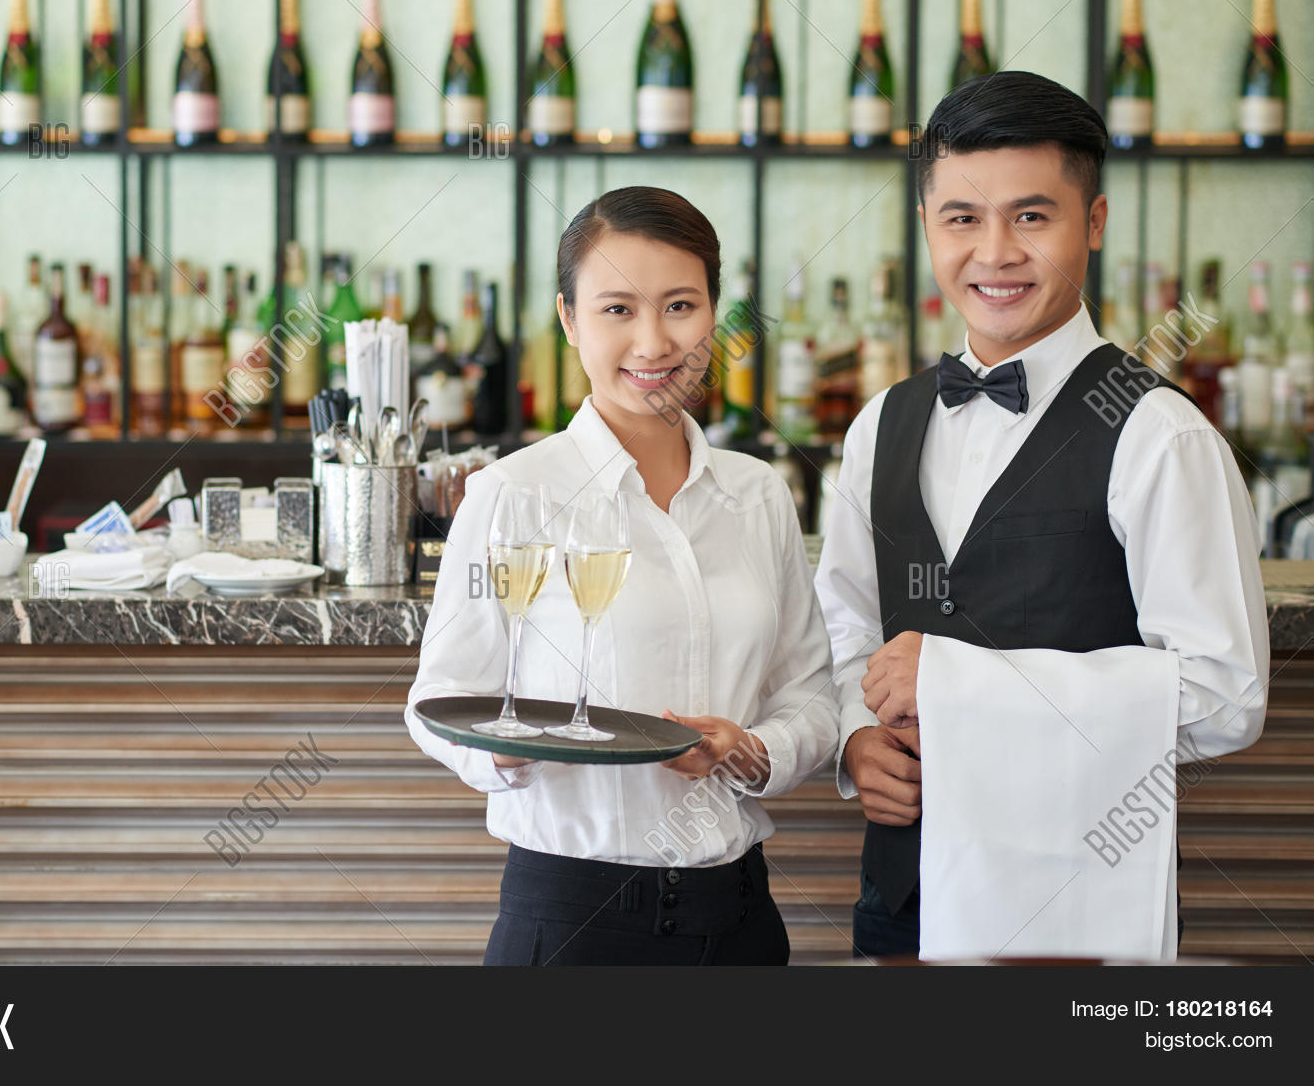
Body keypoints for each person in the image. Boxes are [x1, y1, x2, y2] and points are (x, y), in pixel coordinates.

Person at [815, 71, 1269, 960]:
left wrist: (959, 685)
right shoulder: (882, 423)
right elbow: (843, 627)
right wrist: (854, 735)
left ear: (1092, 224)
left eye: (1032, 216)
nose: (995, 252)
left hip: (1078, 907)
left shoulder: (1159, 435)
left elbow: (1227, 694)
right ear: (925, 228)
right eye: (962, 219)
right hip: (900, 893)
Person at [405, 186, 840, 966]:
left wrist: (751, 748)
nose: (653, 343)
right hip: (571, 921)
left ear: (715, 315)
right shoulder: (513, 493)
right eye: (617, 310)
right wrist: (508, 745)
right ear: (569, 320)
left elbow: (812, 695)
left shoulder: (758, 493)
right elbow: (436, 699)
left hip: (738, 921)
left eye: (680, 305)